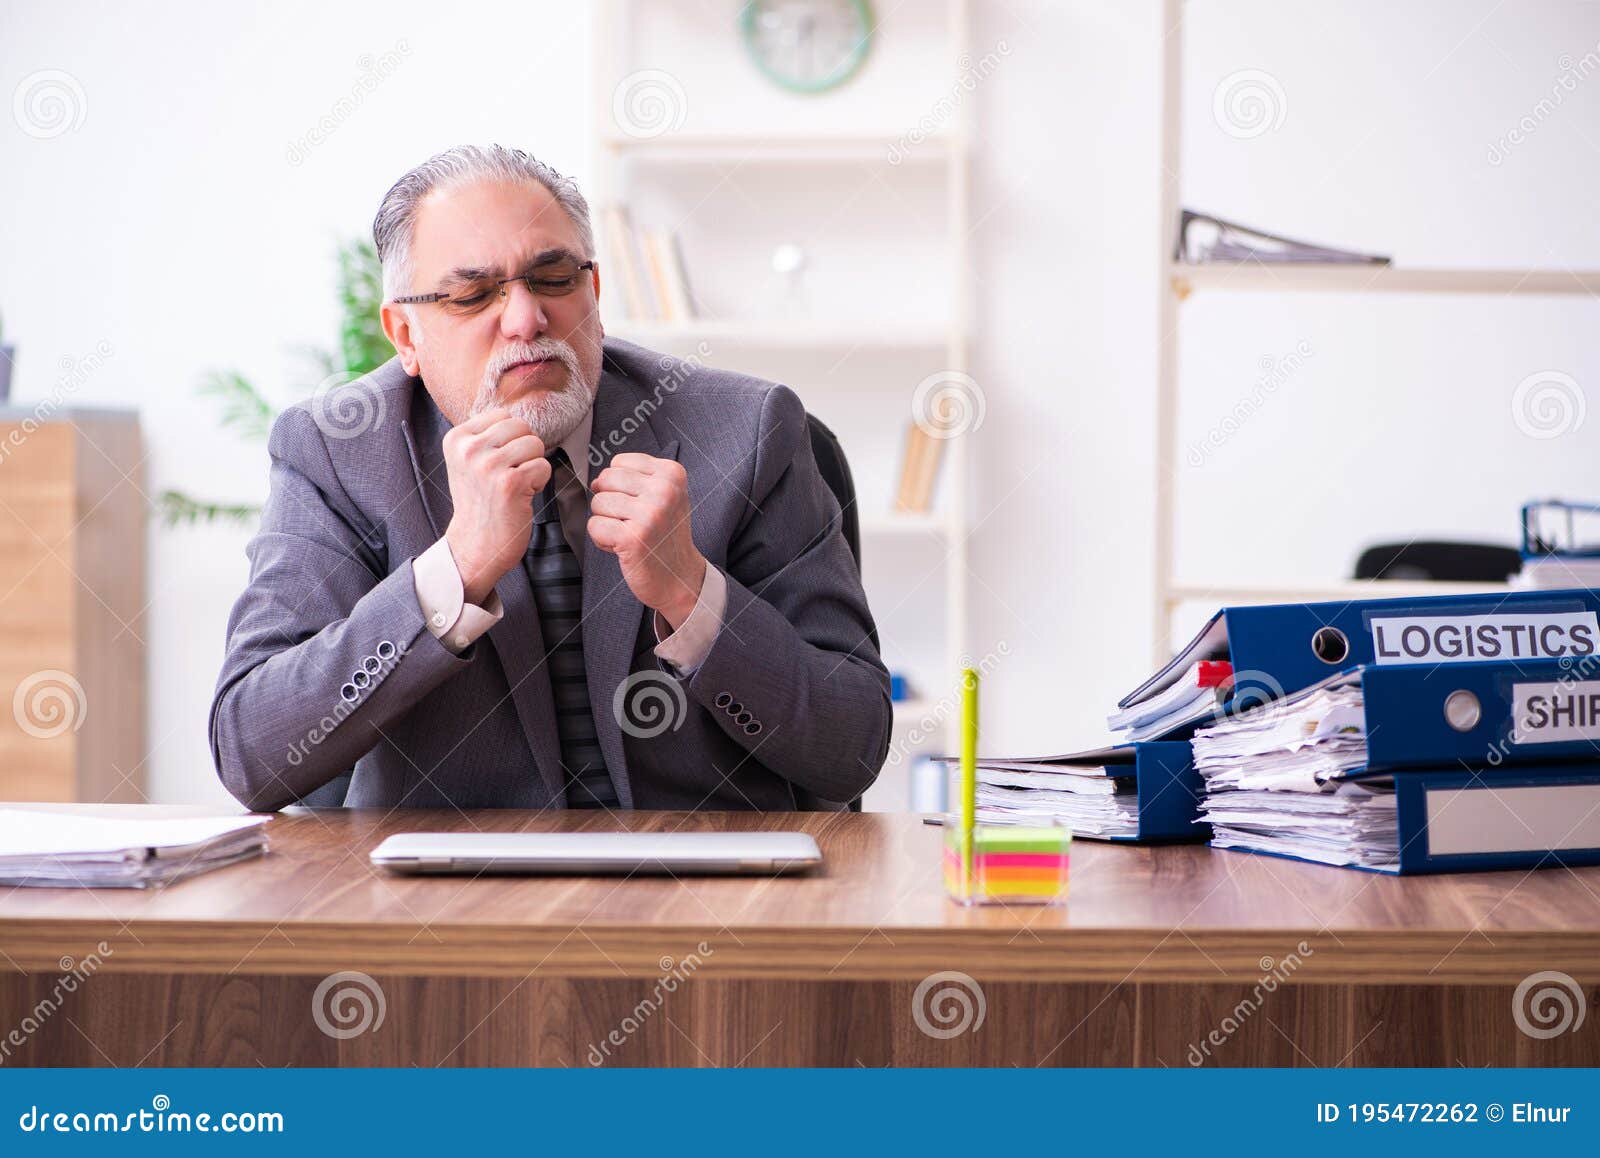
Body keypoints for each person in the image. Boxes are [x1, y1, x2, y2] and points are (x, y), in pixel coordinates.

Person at [210, 145, 892, 812]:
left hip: (702, 894)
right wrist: (454, 573)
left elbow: (850, 751)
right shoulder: (336, 452)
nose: (526, 320)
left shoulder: (748, 430)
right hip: (446, 909)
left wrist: (692, 594)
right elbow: (252, 754)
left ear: (593, 291)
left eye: (554, 279)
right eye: (474, 294)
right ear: (405, 336)